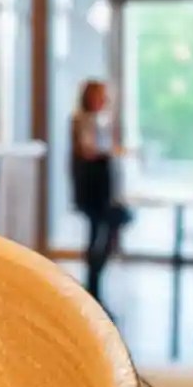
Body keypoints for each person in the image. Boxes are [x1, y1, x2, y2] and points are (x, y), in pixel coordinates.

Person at [69, 80, 130, 303]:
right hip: (92, 186)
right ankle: (93, 288)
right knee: (97, 235)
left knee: (104, 233)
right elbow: (88, 151)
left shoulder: (102, 121)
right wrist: (111, 151)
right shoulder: (82, 121)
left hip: (104, 186)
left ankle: (95, 284)